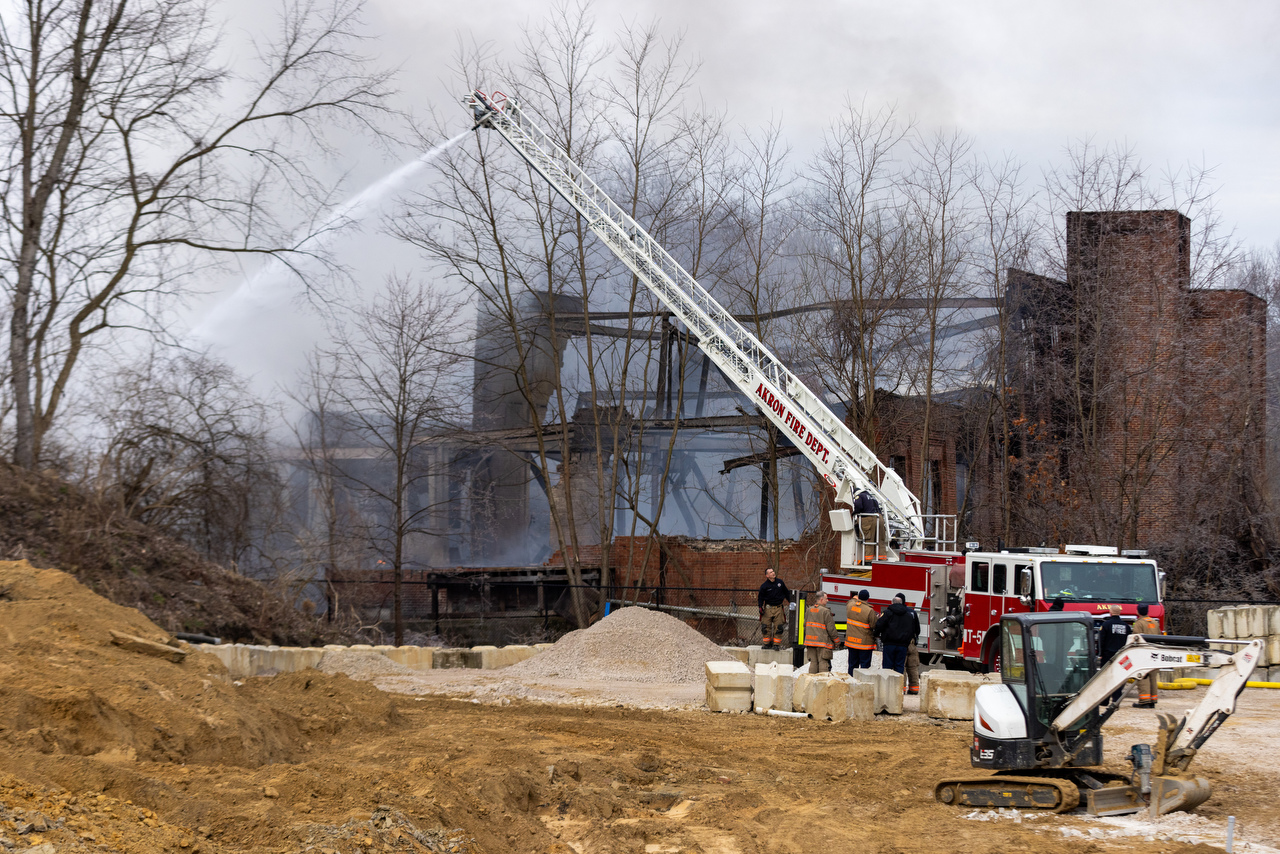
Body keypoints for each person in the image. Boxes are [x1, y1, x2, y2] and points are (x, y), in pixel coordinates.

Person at [873, 593, 919, 675]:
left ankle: (887, 686)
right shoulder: (909, 615)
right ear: (902, 602)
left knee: (887, 667)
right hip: (902, 646)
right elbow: (913, 630)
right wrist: (906, 641)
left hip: (889, 644)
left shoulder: (887, 613)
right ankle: (898, 686)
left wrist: (876, 634)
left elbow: (879, 625)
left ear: (892, 602)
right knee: (899, 667)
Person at [1097, 603, 1131, 706]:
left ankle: (1105, 700)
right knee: (1118, 678)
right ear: (1120, 613)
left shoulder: (1106, 625)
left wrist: (1100, 653)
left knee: (1106, 677)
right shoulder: (1126, 627)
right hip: (1121, 656)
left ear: (1110, 612)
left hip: (1107, 655)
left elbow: (1101, 640)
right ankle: (1116, 700)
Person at [1132, 604, 1161, 708]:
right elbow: (1159, 637)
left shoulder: (1139, 623)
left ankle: (1144, 701)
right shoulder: (1154, 622)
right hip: (1154, 653)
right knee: (1153, 677)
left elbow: (1136, 638)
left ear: (1138, 612)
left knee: (1143, 676)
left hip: (1143, 653)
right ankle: (1153, 700)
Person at [803, 592, 838, 673]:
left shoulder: (809, 610)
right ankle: (822, 682)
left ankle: (811, 681)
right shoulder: (825, 611)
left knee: (813, 663)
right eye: (826, 599)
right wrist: (836, 641)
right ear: (821, 600)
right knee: (823, 662)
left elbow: (805, 625)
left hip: (810, 642)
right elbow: (831, 628)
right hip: (822, 642)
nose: (827, 600)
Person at [757, 567, 790, 651]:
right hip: (768, 609)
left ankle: (776, 645)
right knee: (765, 627)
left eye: (773, 571)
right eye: (771, 572)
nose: (773, 573)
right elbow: (760, 597)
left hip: (778, 608)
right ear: (767, 575)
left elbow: (787, 593)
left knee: (778, 627)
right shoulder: (764, 586)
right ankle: (767, 644)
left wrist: (791, 602)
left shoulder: (780, 583)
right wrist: (760, 607)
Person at [844, 589, 877, 672]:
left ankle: (851, 682)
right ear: (868, 598)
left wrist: (855, 598)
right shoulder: (869, 610)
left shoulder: (850, 606)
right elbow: (873, 625)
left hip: (851, 642)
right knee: (864, 667)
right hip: (864, 644)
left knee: (852, 665)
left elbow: (850, 601)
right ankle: (862, 684)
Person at [851, 489, 884, 559]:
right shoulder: (872, 497)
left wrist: (855, 513)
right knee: (880, 539)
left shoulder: (859, 496)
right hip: (880, 518)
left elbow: (858, 506)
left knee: (868, 539)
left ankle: (868, 561)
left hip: (869, 519)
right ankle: (882, 558)